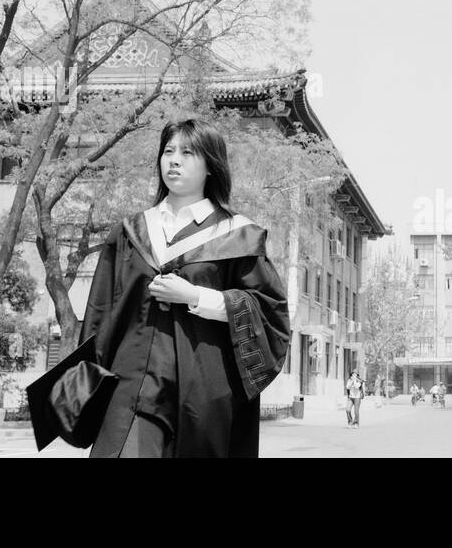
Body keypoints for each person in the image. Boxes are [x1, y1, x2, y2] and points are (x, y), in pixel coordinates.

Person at [77, 118, 291, 458]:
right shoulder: (131, 232)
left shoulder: (239, 235)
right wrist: (84, 386)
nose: (174, 160)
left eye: (188, 152)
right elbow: (100, 313)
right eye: (168, 151)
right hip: (132, 384)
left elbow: (270, 315)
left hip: (204, 390)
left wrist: (195, 296)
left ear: (210, 166)